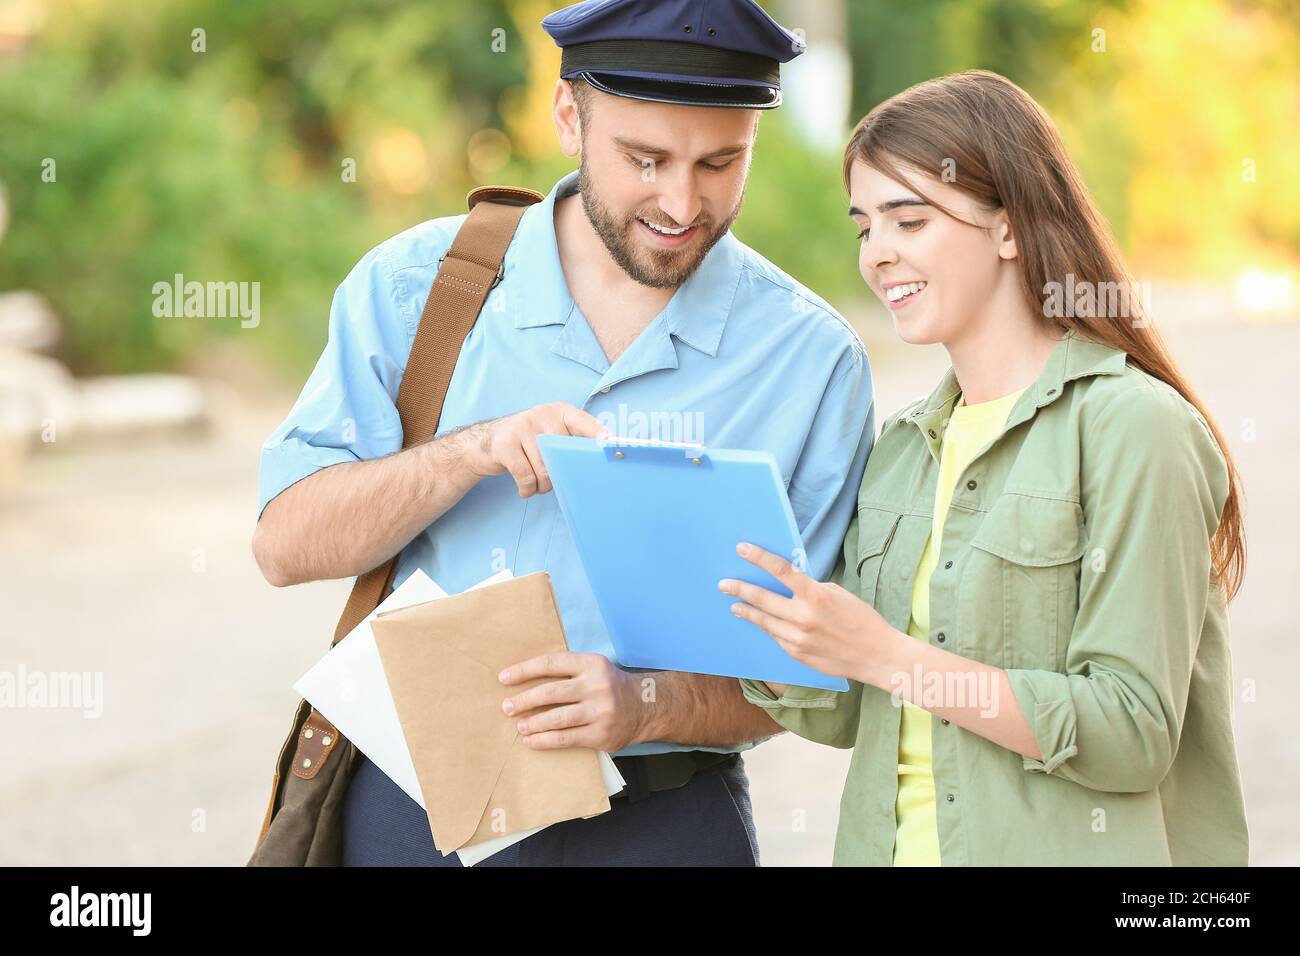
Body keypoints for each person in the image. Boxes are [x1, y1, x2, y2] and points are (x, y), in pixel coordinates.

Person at [252, 0, 874, 866]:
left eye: (720, 162)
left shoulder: (812, 362)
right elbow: (285, 546)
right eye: (644, 159)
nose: (681, 201)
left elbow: (814, 678)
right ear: (567, 116)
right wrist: (469, 452)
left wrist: (645, 703)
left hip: (668, 826)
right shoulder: (414, 288)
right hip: (416, 813)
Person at [726, 70, 1249, 866]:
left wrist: (888, 654)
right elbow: (841, 714)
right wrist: (752, 613)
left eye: (909, 219)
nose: (879, 255)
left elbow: (1130, 730)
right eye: (864, 227)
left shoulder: (1134, 428)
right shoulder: (902, 447)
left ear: (1009, 227)